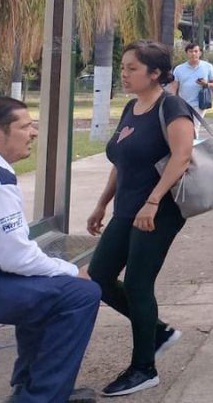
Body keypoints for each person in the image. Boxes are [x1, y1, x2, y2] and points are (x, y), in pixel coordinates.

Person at [87, 40, 194, 396]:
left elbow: (181, 157)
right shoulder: (132, 107)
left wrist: (152, 201)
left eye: (132, 68)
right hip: (127, 208)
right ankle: (158, 331)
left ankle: (144, 368)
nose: (124, 73)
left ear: (155, 72)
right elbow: (122, 161)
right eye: (123, 67)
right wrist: (102, 204)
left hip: (158, 211)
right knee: (99, 276)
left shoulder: (172, 106)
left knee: (137, 284)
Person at [0, 97, 101, 403]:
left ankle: (30, 386)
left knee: (45, 288)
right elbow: (15, 257)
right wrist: (71, 270)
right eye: (25, 126)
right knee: (80, 293)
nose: (34, 133)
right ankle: (41, 397)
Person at [167, 42, 213, 117]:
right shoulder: (178, 69)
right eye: (190, 51)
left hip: (199, 104)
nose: (193, 54)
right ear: (186, 53)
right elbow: (173, 87)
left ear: (200, 53)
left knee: (194, 124)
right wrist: (172, 101)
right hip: (183, 104)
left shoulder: (208, 67)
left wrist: (206, 84)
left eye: (196, 51)